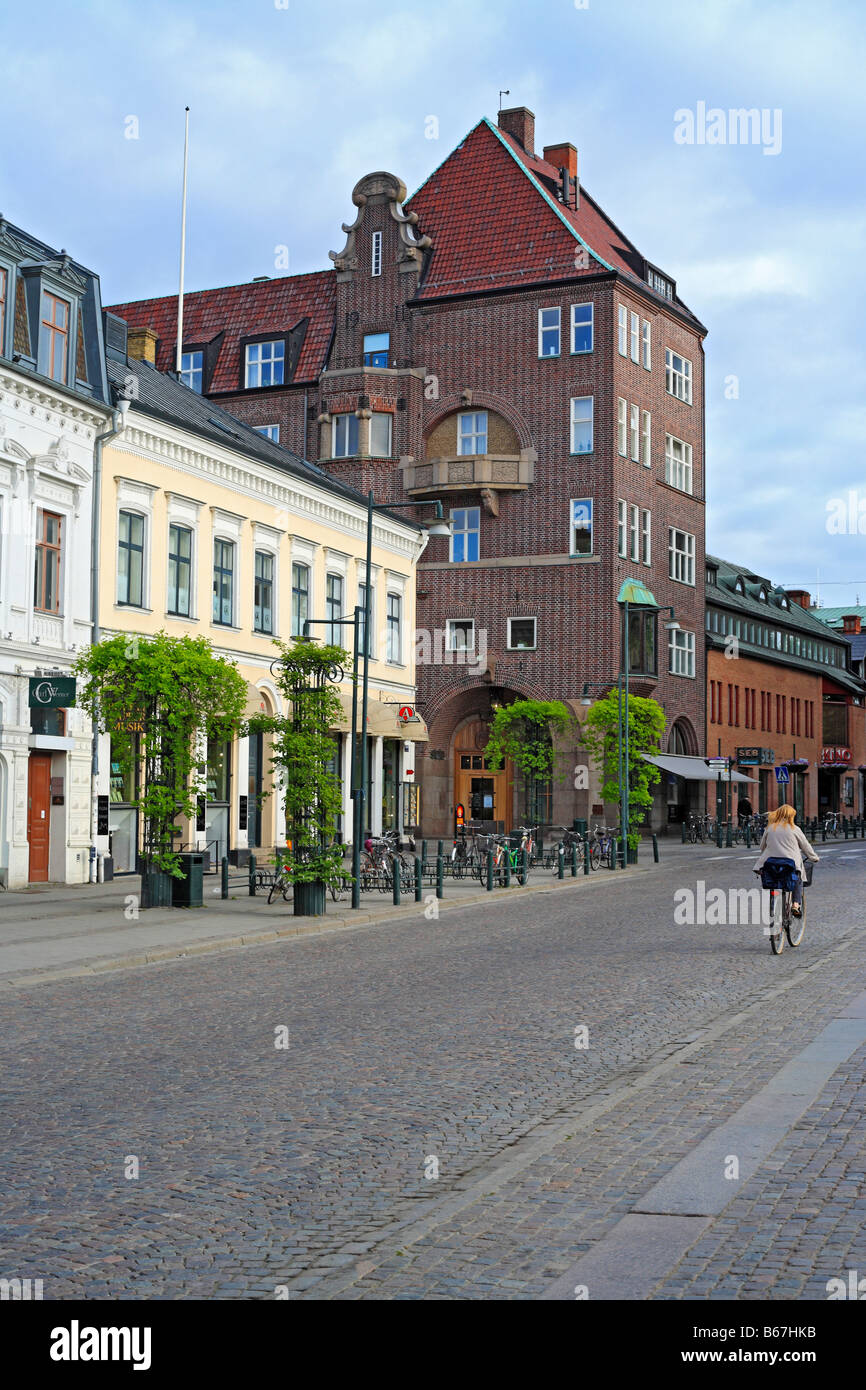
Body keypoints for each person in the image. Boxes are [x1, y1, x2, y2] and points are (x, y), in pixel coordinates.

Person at [753, 804, 819, 916]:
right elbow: (805, 846)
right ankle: (795, 905)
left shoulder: (770, 828)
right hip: (790, 863)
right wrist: (814, 857)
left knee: (773, 879)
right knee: (797, 878)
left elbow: (762, 847)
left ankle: (773, 904)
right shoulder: (794, 829)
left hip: (771, 863)